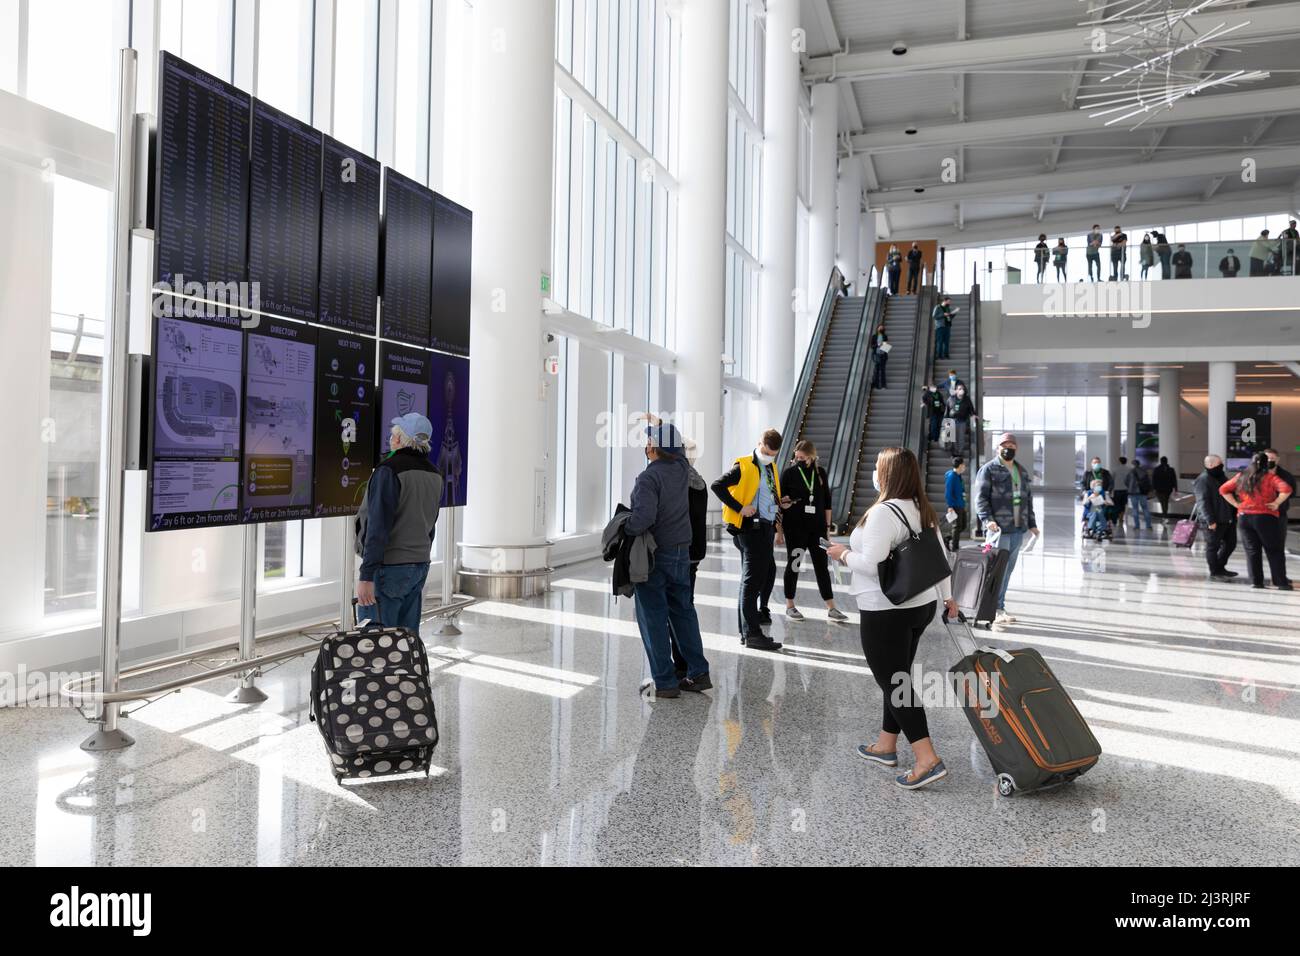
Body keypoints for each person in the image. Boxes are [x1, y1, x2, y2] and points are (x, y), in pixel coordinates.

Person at [826, 447, 956, 791]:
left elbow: (871, 564)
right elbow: (940, 558)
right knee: (896, 677)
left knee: (895, 682)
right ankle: (886, 745)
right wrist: (949, 598)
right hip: (921, 606)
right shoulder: (921, 507)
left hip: (886, 609)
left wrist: (843, 554)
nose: (875, 473)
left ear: (887, 475)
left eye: (878, 468)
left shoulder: (884, 512)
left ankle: (927, 758)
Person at [626, 422, 712, 697]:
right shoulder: (682, 470)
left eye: (648, 441)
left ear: (652, 447)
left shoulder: (648, 478)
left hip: (655, 556)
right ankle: (698, 673)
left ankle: (664, 682)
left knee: (652, 616)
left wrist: (625, 526)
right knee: (683, 612)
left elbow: (644, 519)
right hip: (681, 553)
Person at [355, 413, 444, 634]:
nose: (390, 438)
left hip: (388, 569)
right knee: (405, 641)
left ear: (399, 440)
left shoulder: (389, 470)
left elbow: (378, 527)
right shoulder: (435, 475)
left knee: (376, 643)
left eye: (393, 434)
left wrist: (366, 575)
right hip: (419, 566)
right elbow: (431, 524)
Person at [712, 429, 785, 651]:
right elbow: (717, 486)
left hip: (765, 528)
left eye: (773, 453)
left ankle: (746, 632)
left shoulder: (771, 468)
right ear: (759, 443)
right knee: (752, 583)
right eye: (766, 451)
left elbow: (767, 496)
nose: (769, 455)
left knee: (756, 579)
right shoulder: (743, 465)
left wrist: (781, 504)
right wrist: (740, 507)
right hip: (750, 530)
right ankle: (752, 633)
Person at [778, 440, 848, 622]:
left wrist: (827, 529)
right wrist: (786, 503)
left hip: (817, 529)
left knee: (822, 566)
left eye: (802, 457)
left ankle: (831, 607)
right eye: (796, 456)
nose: (798, 460)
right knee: (794, 564)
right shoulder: (789, 474)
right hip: (795, 528)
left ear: (811, 456)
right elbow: (780, 503)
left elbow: (827, 503)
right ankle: (790, 605)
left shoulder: (820, 474)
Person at [974, 432, 1039, 628]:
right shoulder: (988, 469)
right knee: (995, 572)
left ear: (1016, 448)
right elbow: (980, 498)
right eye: (1004, 444)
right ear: (997, 448)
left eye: (1011, 444)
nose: (1008, 447)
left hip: (1017, 530)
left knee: (1007, 572)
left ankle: (1000, 607)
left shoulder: (1022, 471)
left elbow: (1028, 500)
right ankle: (988, 609)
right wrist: (988, 520)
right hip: (998, 530)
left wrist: (1032, 524)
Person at [666, 435, 710, 681]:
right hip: (694, 554)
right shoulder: (699, 481)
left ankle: (682, 664)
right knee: (684, 606)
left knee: (677, 610)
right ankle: (686, 664)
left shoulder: (679, 481)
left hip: (678, 552)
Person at [1220, 451, 1293, 590]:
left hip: (1244, 518)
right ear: (1266, 463)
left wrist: (1236, 505)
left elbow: (1223, 489)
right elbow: (1287, 489)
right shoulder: (1270, 477)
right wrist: (1277, 502)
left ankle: (1256, 582)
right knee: (1274, 550)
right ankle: (1280, 582)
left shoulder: (1241, 476)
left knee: (1252, 551)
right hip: (1265, 517)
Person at [1194, 454, 1238, 581]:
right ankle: (1214, 571)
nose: (1221, 466)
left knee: (1231, 544)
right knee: (1213, 546)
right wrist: (1210, 520)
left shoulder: (1221, 477)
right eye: (1219, 464)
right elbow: (1203, 502)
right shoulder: (1203, 480)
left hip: (1227, 518)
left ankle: (1220, 566)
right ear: (1211, 465)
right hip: (1213, 520)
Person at [1264, 448, 1296, 525]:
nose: (1269, 460)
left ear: (1277, 459)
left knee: (1278, 536)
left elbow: (1292, 493)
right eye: (1267, 458)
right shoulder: (1255, 475)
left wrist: (1278, 501)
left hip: (1279, 513)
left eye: (1272, 458)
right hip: (1260, 513)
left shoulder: (1287, 476)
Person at [945, 379, 975, 455]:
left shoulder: (967, 399)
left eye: (963, 389)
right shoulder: (951, 399)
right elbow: (947, 410)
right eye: (959, 389)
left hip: (962, 421)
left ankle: (960, 452)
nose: (961, 390)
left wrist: (973, 415)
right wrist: (946, 421)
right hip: (952, 421)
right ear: (956, 391)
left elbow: (971, 409)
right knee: (952, 438)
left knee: (961, 438)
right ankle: (954, 452)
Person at [944, 457, 968, 552]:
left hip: (961, 504)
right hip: (955, 505)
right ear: (960, 465)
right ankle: (955, 547)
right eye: (963, 464)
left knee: (963, 526)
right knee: (957, 526)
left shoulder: (958, 476)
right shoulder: (952, 476)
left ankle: (947, 538)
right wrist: (950, 506)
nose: (964, 466)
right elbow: (948, 493)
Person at [1124, 457, 1154, 529]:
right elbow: (1149, 482)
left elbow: (1126, 481)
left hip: (1133, 493)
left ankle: (1137, 526)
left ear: (1133, 465)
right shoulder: (1144, 471)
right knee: (1145, 509)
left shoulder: (1130, 472)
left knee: (1135, 509)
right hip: (1143, 492)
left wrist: (1130, 487)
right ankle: (1148, 525)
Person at [932, 295, 956, 360]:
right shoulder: (938, 307)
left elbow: (949, 318)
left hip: (947, 326)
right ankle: (939, 355)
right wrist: (943, 314)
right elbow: (934, 316)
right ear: (944, 301)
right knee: (939, 342)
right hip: (940, 327)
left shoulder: (948, 308)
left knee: (946, 342)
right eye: (948, 302)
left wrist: (953, 314)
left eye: (950, 302)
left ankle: (946, 355)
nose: (949, 303)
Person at [870, 323, 889, 388]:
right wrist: (877, 345)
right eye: (880, 328)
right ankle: (875, 384)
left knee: (883, 370)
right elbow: (872, 346)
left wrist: (883, 345)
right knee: (876, 370)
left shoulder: (885, 336)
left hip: (883, 355)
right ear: (877, 329)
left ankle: (883, 385)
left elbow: (886, 346)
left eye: (882, 328)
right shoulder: (874, 336)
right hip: (876, 355)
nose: (881, 329)